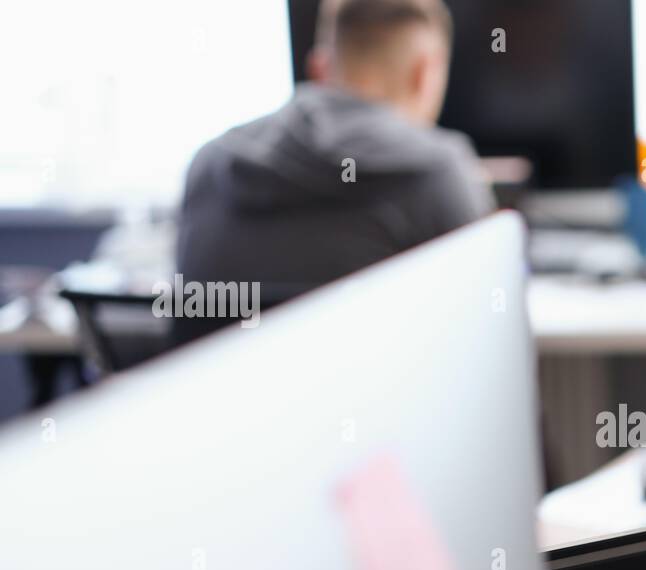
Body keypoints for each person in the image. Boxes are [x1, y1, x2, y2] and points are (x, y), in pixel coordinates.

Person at [172, 0, 494, 345]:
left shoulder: (209, 163)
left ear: (320, 68)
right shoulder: (436, 171)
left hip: (225, 396)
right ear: (424, 73)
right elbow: (483, 334)